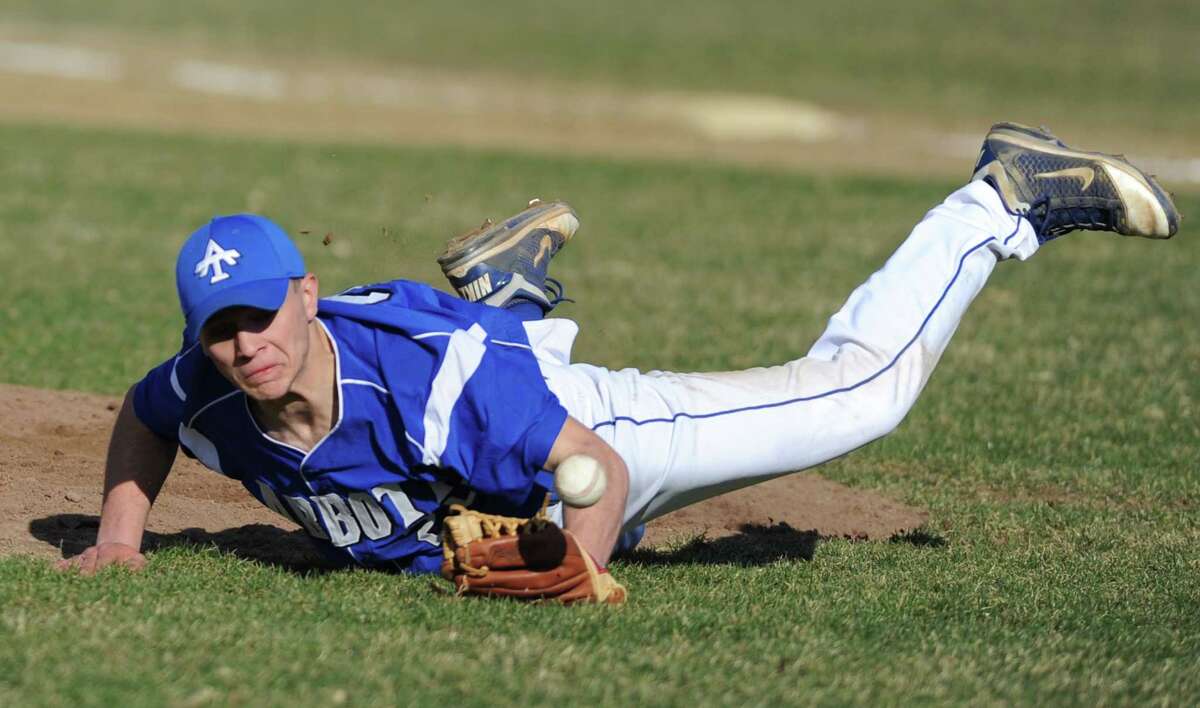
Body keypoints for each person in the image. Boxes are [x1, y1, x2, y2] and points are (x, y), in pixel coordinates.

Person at [57, 122, 1180, 577]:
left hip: (588, 424)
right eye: (221, 329)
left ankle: (1004, 197)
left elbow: (596, 472)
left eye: (261, 313)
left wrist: (573, 572)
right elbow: (145, 412)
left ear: (303, 295)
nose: (246, 344)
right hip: (490, 396)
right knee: (492, 405)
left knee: (862, 395)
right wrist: (121, 537)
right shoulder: (204, 390)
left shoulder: (422, 388)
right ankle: (507, 295)